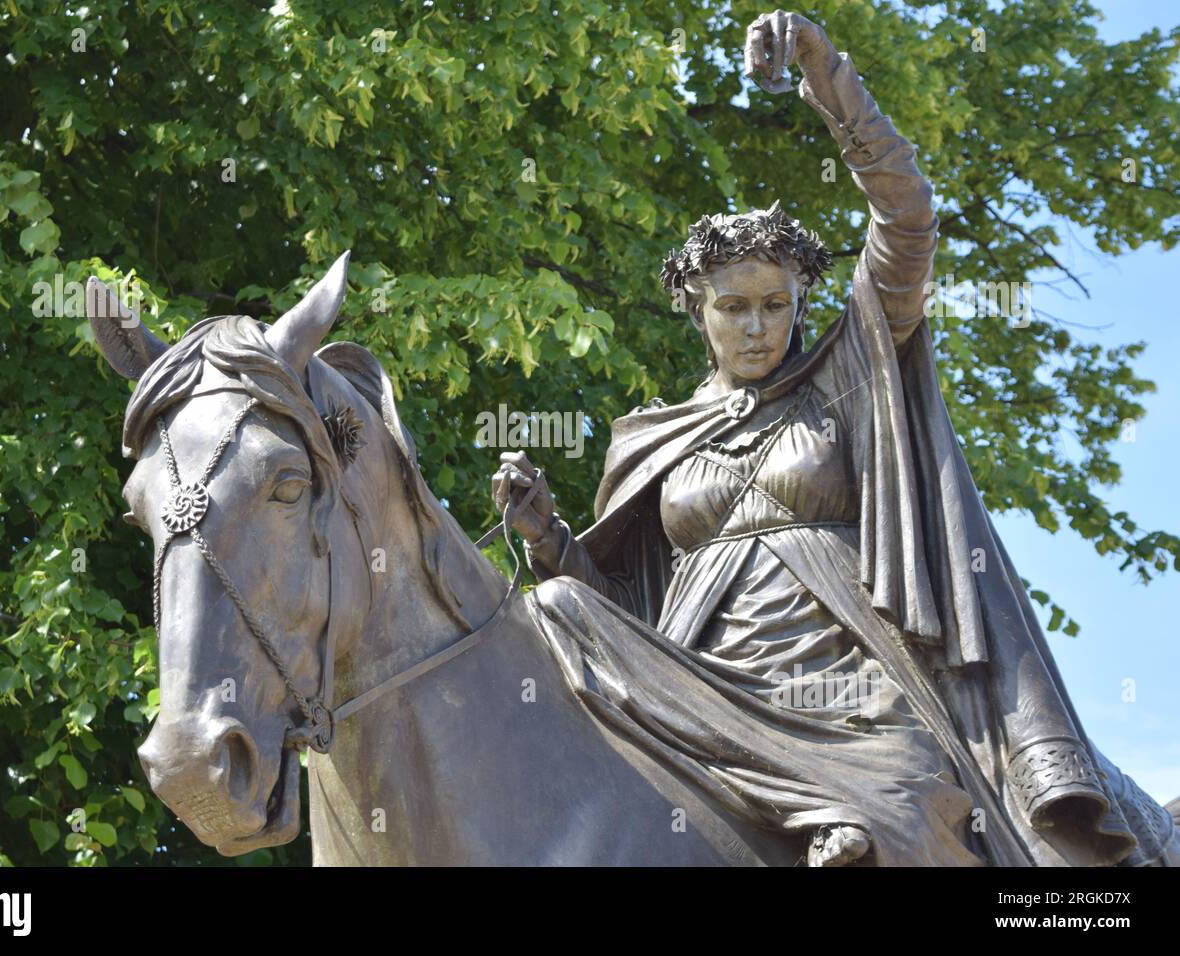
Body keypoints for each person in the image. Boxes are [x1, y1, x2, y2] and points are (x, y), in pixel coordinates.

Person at [491, 10, 1178, 866]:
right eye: (733, 308)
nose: (755, 326)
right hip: (703, 682)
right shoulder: (651, 437)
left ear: (802, 304)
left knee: (907, 797)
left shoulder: (848, 373)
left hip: (851, 684)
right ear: (696, 313)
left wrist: (826, 74)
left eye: (774, 305)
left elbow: (907, 217)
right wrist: (548, 538)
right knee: (553, 613)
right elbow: (629, 613)